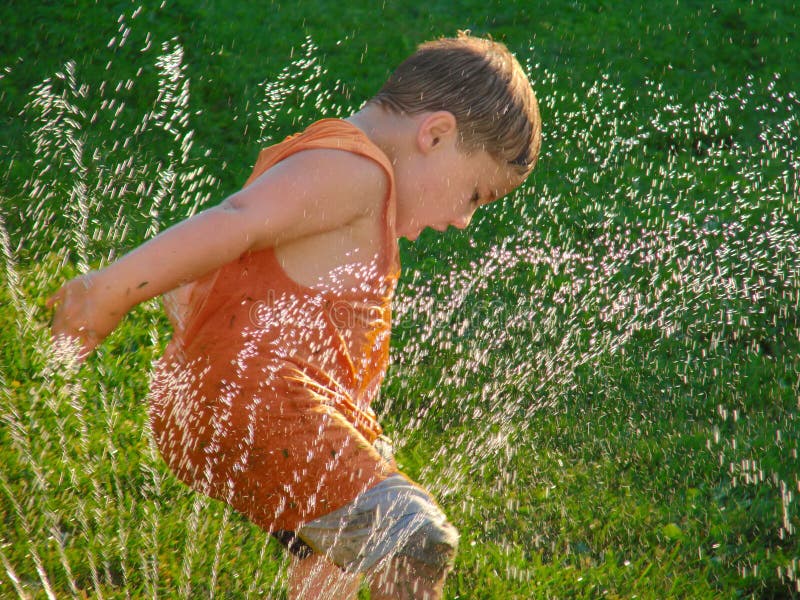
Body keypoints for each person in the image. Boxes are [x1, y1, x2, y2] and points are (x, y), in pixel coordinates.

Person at [47, 32, 541, 599]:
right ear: (435, 133)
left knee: (339, 542)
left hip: (255, 411)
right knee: (412, 541)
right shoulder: (357, 172)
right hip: (261, 404)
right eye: (475, 194)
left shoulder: (353, 183)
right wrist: (108, 291)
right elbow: (237, 219)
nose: (463, 220)